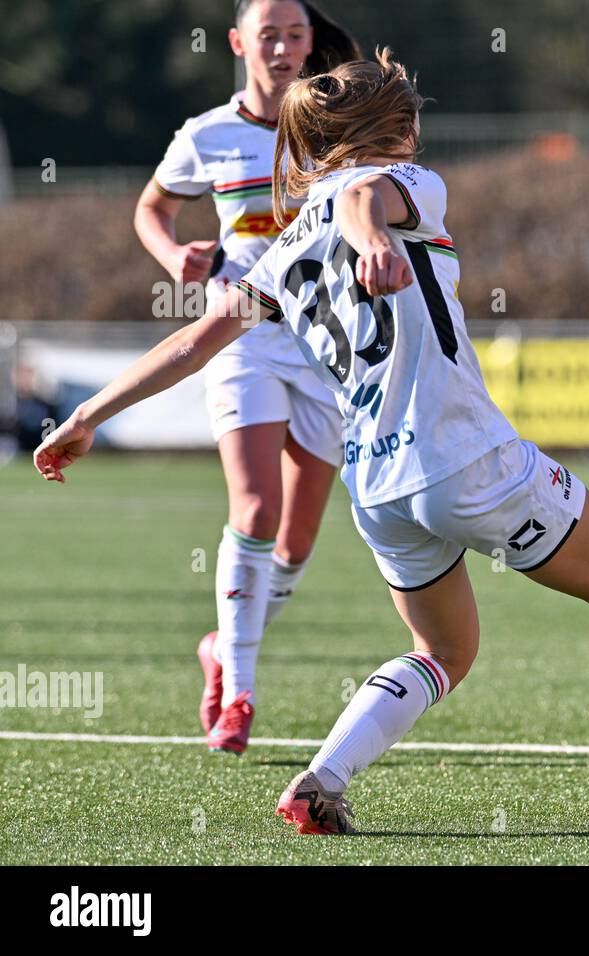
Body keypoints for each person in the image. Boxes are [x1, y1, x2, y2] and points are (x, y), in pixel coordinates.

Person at [34, 50, 589, 835]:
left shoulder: (282, 250)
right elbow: (365, 194)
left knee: (443, 651)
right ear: (395, 129)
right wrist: (371, 238)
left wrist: (88, 413)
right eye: (412, 120)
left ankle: (322, 779)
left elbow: (195, 344)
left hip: (378, 486)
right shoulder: (406, 183)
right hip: (469, 458)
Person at [133, 0, 360, 754]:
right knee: (256, 510)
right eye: (269, 35)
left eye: (296, 35)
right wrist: (176, 260)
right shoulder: (207, 134)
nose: (285, 48)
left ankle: (219, 647)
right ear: (238, 43)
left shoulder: (332, 127)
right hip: (244, 336)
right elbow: (152, 208)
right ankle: (240, 693)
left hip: (324, 342)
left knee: (296, 542)